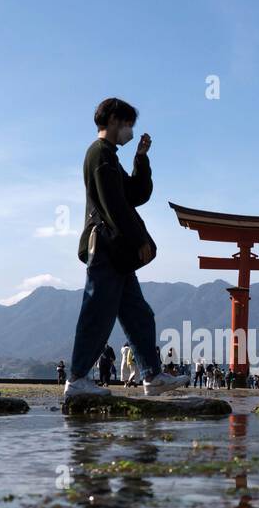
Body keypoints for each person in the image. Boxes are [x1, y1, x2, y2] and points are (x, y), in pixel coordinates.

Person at [64, 98, 185, 397]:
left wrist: (140, 158)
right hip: (106, 244)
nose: (130, 130)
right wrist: (138, 239)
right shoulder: (99, 153)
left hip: (116, 248)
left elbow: (136, 194)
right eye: (128, 123)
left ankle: (151, 376)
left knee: (138, 314)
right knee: (97, 311)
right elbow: (113, 204)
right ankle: (77, 378)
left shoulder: (110, 157)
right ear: (116, 119)